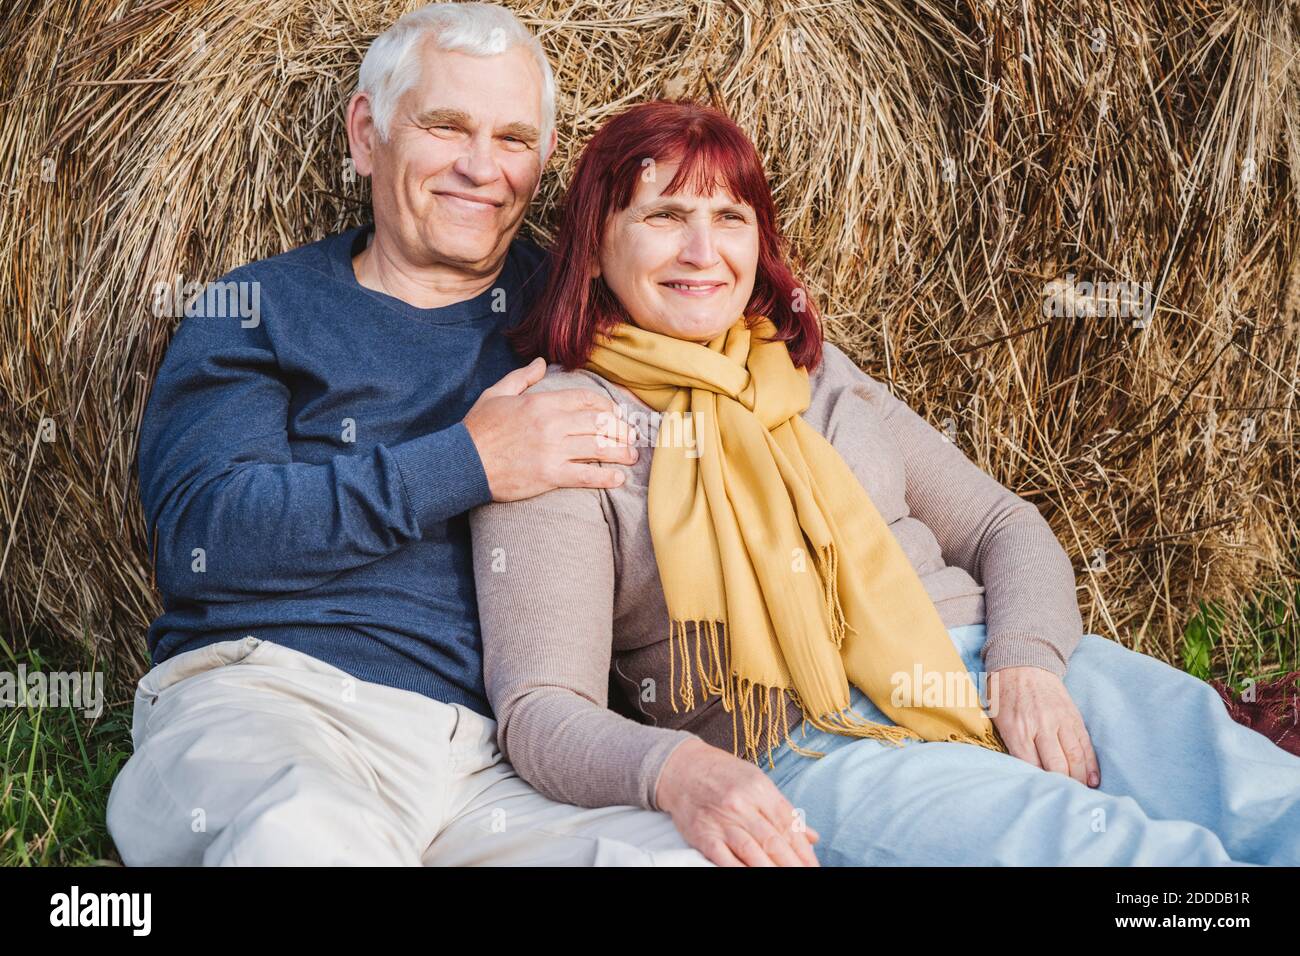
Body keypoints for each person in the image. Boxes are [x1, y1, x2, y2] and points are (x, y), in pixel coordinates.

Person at [468, 99, 1300, 867]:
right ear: (595, 241)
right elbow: (542, 707)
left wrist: (1029, 661)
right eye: (664, 217)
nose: (702, 251)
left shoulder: (812, 372)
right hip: (818, 741)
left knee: (1268, 800)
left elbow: (1005, 526)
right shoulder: (559, 427)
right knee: (1128, 862)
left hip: (988, 663)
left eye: (730, 217)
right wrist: (676, 770)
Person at [106, 2, 711, 866]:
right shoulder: (260, 310)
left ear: (543, 162)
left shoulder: (581, 317)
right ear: (366, 132)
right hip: (276, 707)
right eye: (445, 125)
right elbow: (206, 534)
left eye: (512, 139)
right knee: (299, 842)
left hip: (503, 760)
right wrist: (468, 461)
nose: (479, 167)